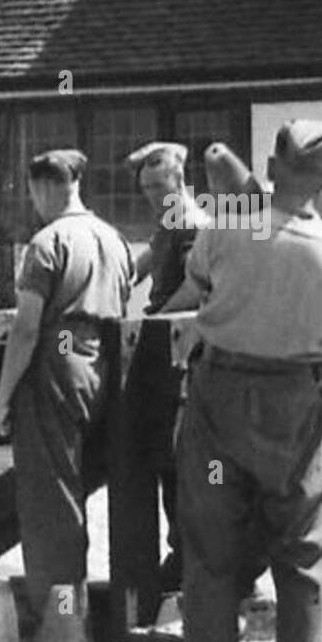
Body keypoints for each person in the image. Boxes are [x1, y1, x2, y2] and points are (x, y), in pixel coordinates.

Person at [169, 121, 322, 642]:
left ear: (272, 167)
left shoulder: (224, 228)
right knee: (305, 564)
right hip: (295, 406)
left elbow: (197, 295)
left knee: (211, 562)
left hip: (219, 395)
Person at [0, 150, 134, 620]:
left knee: (50, 497)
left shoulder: (47, 242)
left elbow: (27, 328)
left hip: (57, 360)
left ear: (43, 187)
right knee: (78, 485)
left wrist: (3, 398)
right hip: (102, 364)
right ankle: (84, 607)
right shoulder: (114, 239)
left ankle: (61, 622)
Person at [123, 141, 210, 594]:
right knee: (163, 456)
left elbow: (197, 287)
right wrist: (118, 274)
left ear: (180, 180)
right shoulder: (170, 221)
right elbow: (147, 261)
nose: (154, 195)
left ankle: (186, 561)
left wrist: (153, 323)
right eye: (146, 189)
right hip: (166, 347)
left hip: (184, 352)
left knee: (179, 460)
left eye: (160, 185)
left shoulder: (191, 221)